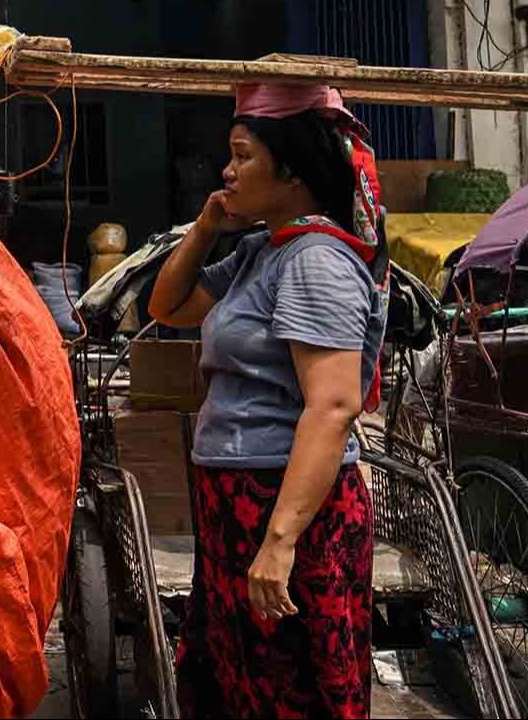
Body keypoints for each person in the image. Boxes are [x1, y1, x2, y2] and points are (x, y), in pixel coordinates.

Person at [147, 83, 388, 718]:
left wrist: (280, 542)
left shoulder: (315, 261)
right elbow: (166, 306)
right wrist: (205, 228)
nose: (227, 172)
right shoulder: (263, 250)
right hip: (234, 500)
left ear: (294, 171)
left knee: (292, 686)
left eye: (243, 155)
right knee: (239, 678)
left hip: (285, 504)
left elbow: (332, 407)